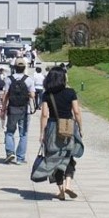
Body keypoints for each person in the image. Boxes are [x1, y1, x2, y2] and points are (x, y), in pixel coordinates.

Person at [39, 66, 83, 200]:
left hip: (53, 126)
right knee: (68, 155)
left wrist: (42, 133)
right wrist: (80, 127)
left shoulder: (47, 94)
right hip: (68, 126)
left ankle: (61, 190)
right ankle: (68, 184)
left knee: (54, 158)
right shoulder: (70, 92)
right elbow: (76, 112)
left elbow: (44, 114)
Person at [1, 58, 35, 164]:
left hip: (12, 109)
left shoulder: (8, 79)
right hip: (25, 110)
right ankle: (20, 158)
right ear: (24, 68)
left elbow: (5, 96)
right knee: (23, 134)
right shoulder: (29, 80)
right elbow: (33, 95)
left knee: (10, 132)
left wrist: (3, 108)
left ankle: (10, 152)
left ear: (14, 68)